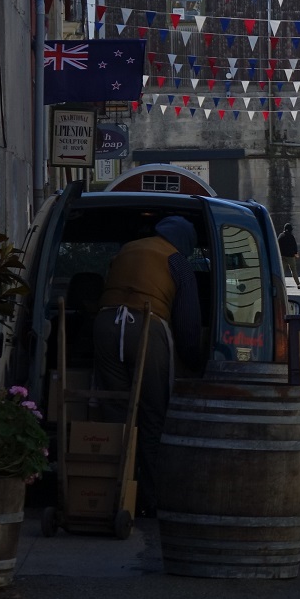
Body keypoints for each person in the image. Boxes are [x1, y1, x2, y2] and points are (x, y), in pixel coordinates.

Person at [93, 215, 203, 515]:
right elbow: (188, 321)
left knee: (115, 409)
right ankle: (150, 498)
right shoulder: (177, 261)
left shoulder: (127, 248)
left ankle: (111, 493)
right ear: (185, 241)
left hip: (104, 324)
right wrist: (193, 361)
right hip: (147, 326)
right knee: (153, 412)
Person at [279, 222, 300, 289]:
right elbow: (294, 246)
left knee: (282, 271)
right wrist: (296, 254)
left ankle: (281, 285)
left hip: (282, 256)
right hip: (290, 256)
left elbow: (277, 245)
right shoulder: (291, 236)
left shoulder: (281, 236)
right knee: (293, 270)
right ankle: (298, 284)